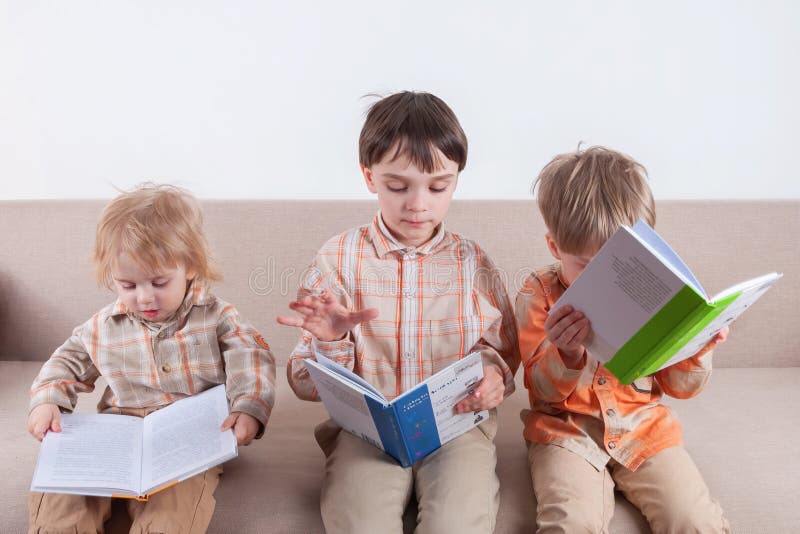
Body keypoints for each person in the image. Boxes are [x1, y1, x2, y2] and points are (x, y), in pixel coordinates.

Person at [278, 91, 519, 534]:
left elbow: (500, 350)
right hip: (367, 434)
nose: (418, 204)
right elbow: (302, 382)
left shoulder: (473, 262)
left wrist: (493, 378)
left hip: (455, 426)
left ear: (457, 179)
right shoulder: (337, 260)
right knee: (359, 523)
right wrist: (330, 341)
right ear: (369, 177)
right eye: (398, 186)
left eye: (437, 186)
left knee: (458, 524)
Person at [27, 183, 276, 533]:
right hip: (116, 432)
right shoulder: (103, 325)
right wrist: (47, 401)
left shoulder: (217, 317)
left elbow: (252, 357)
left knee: (171, 513)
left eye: (159, 282)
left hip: (187, 436)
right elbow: (65, 362)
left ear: (190, 266)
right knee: (63, 500)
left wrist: (247, 407)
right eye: (128, 285)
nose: (144, 297)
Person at [516, 145, 729, 533]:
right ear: (555, 246)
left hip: (644, 428)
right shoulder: (538, 293)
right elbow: (542, 391)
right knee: (570, 523)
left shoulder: (660, 293)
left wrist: (697, 348)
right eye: (586, 264)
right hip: (567, 433)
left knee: (696, 522)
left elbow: (682, 389)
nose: (603, 278)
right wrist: (567, 352)